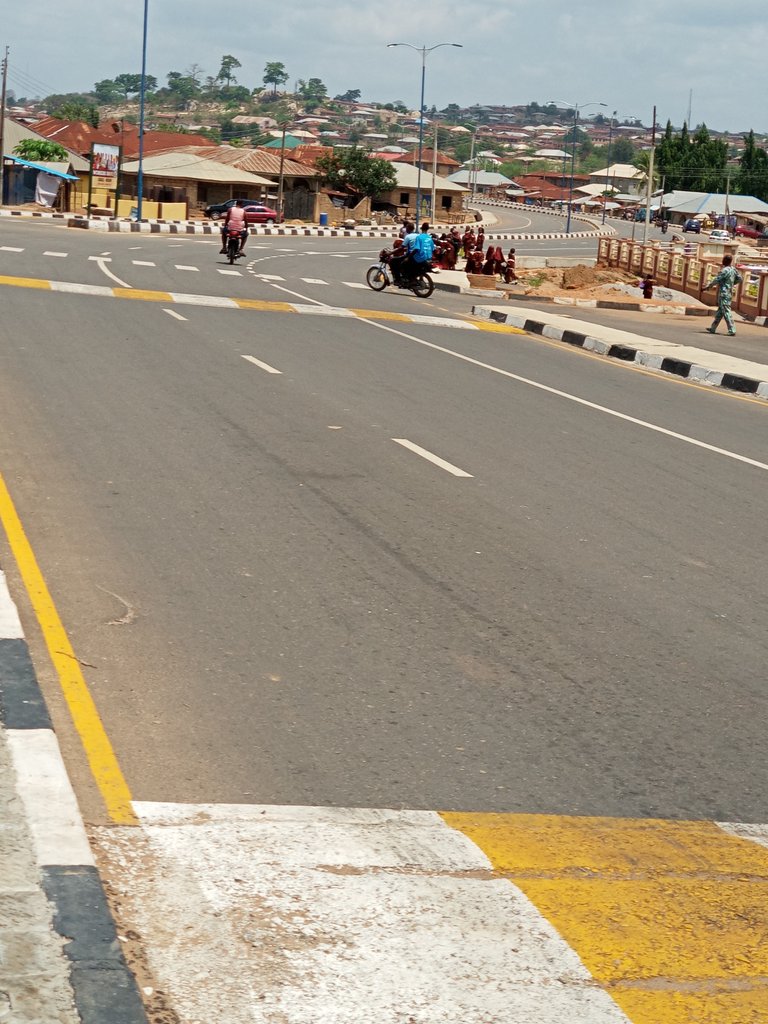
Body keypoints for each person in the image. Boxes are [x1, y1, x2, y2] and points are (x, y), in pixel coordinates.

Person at [704, 255, 743, 336]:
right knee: (721, 311)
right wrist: (732, 283)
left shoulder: (724, 270)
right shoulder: (733, 269)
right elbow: (740, 279)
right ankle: (713, 328)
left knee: (726, 311)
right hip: (729, 293)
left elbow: (716, 280)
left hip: (723, 293)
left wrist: (708, 286)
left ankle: (732, 329)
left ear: (724, 261)